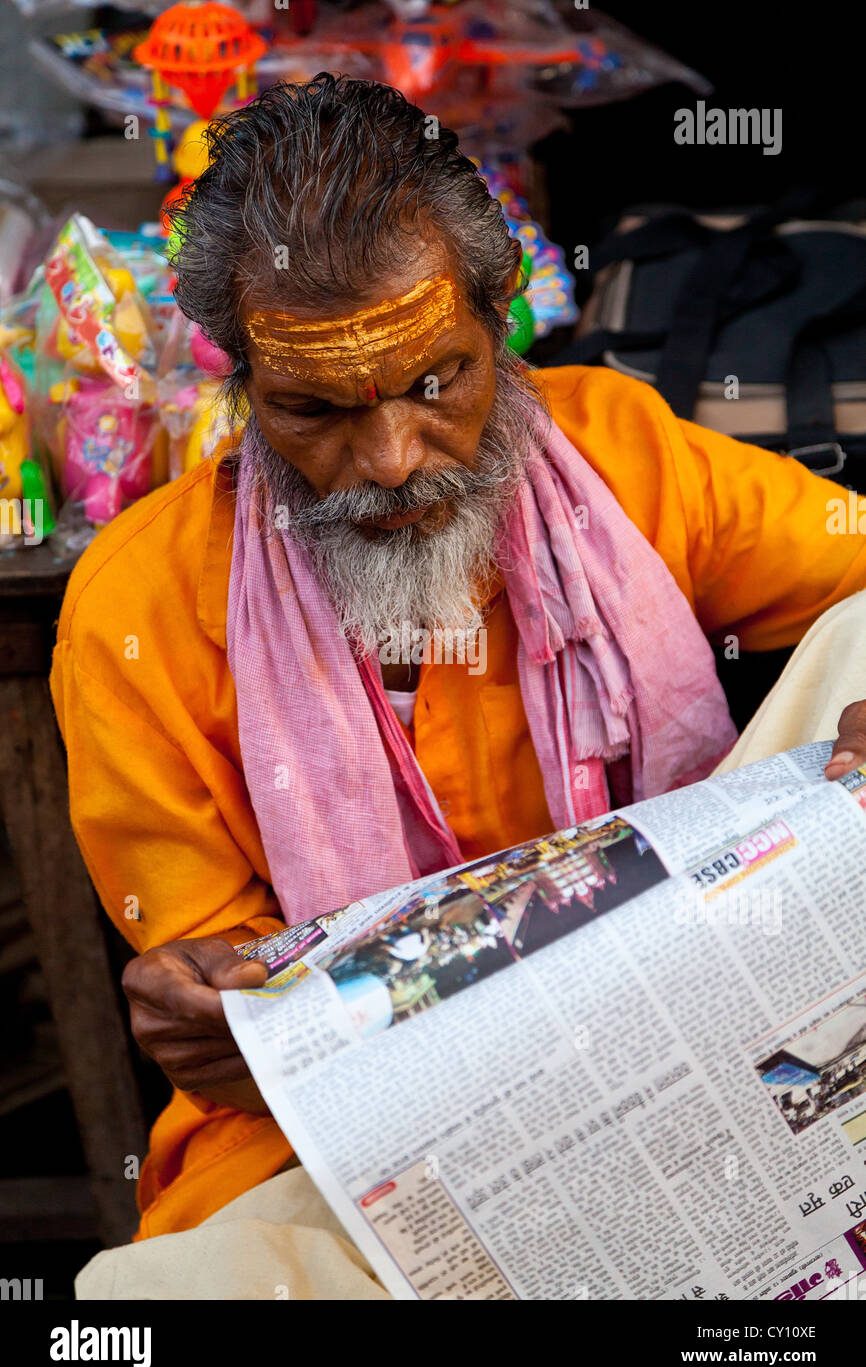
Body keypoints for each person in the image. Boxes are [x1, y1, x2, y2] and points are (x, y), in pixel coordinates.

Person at [51, 73, 866, 1254]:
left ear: (503, 327)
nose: (387, 458)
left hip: (693, 1025)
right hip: (351, 1125)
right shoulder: (138, 598)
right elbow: (212, 966)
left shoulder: (619, 449)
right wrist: (219, 1012)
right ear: (238, 389)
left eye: (438, 383)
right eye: (312, 411)